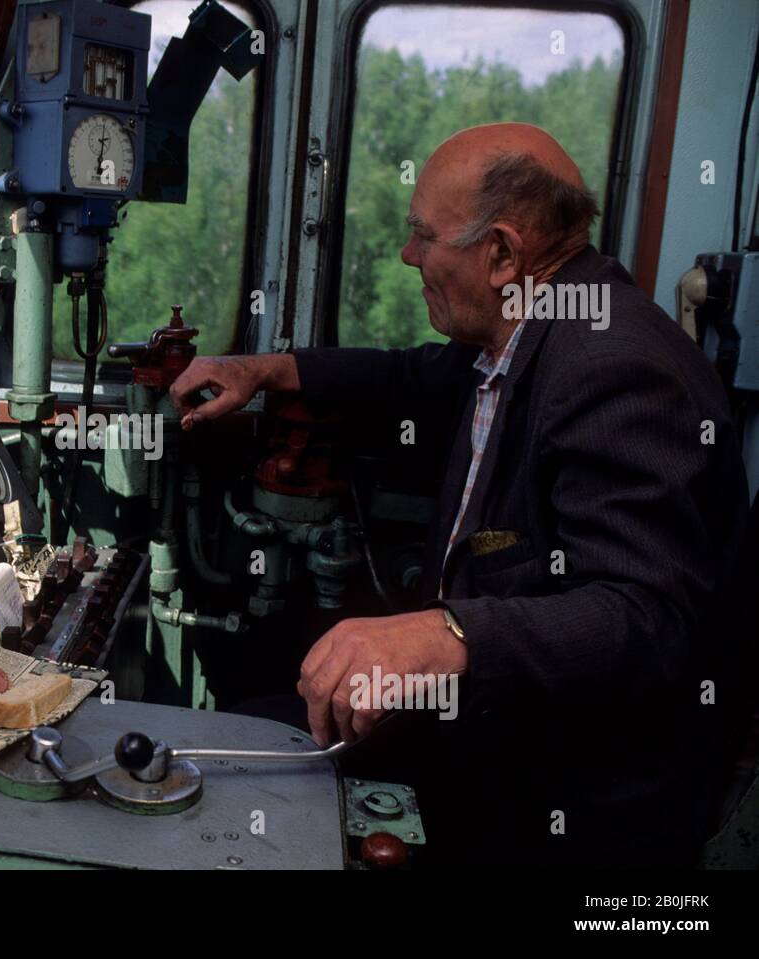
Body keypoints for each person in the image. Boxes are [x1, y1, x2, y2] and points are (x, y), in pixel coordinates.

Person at [169, 122, 751, 866]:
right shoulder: (530, 328)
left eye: (424, 236)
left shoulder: (614, 369)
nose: (409, 256)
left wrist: (447, 635)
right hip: (498, 728)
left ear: (503, 253)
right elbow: (409, 378)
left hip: (569, 794)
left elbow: (649, 618)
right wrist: (266, 369)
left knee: (233, 780)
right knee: (246, 728)